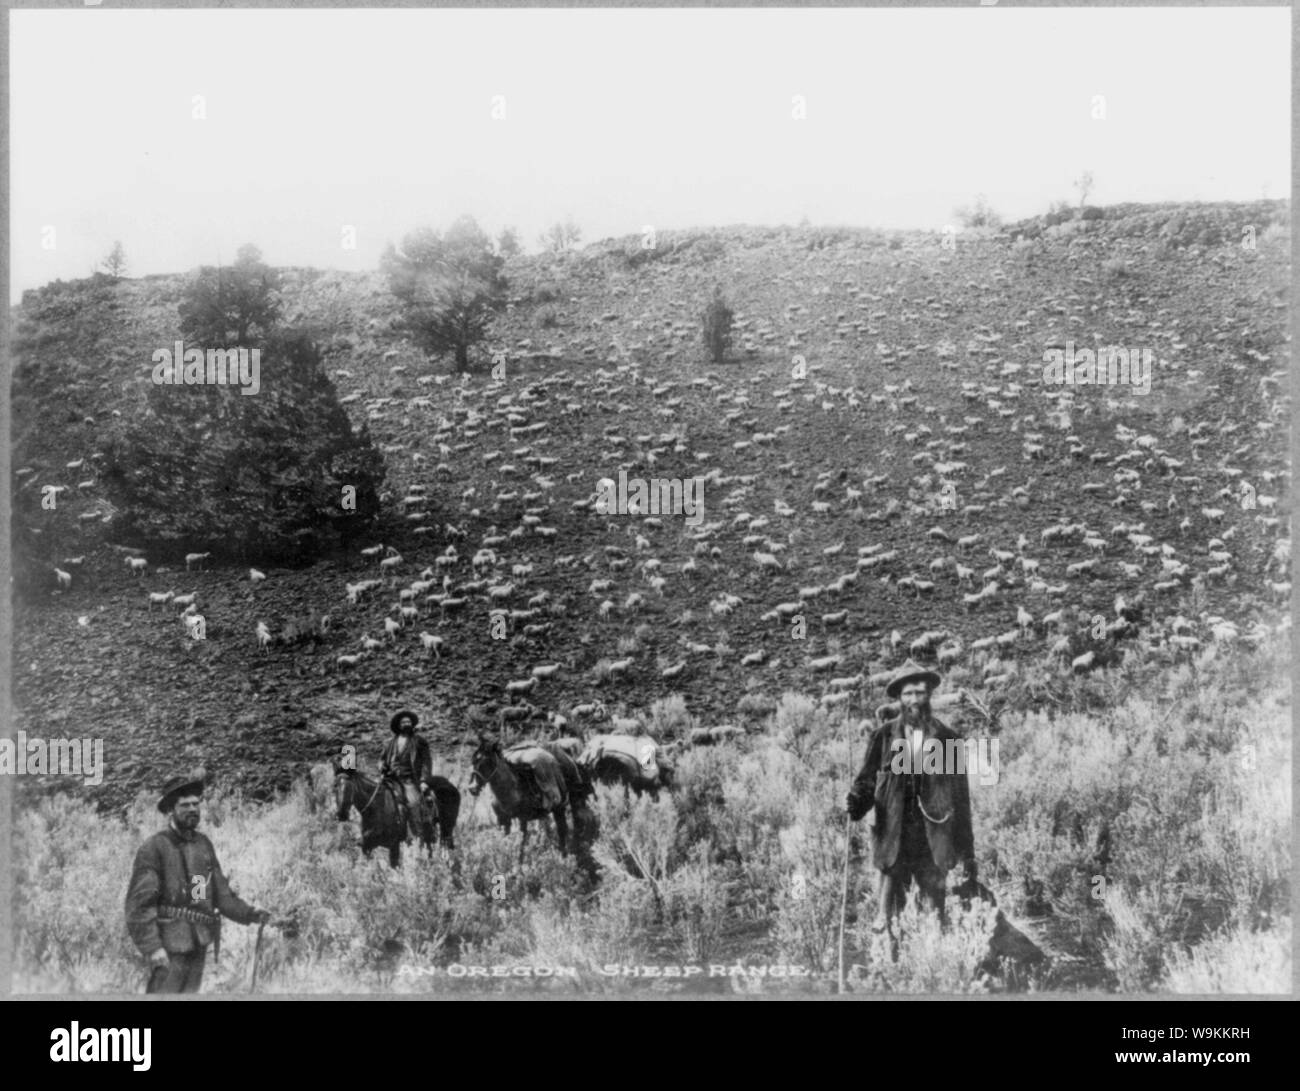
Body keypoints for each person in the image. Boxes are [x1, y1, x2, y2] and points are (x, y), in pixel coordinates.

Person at [847, 659, 977, 938]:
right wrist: (856, 801)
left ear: (929, 694)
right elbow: (867, 781)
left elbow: (961, 798)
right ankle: (892, 965)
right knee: (891, 921)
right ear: (898, 698)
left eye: (919, 692)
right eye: (908, 693)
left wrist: (967, 852)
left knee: (935, 919)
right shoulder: (883, 737)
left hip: (934, 839)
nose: (914, 699)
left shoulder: (947, 739)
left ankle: (933, 965)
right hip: (895, 838)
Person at [124, 772, 271, 994]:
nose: (193, 809)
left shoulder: (202, 846)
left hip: (198, 943)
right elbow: (139, 905)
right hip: (169, 946)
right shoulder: (154, 848)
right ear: (171, 810)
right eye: (185, 805)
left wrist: (250, 914)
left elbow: (214, 896)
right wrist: (153, 948)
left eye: (196, 804)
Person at [379, 710, 435, 841]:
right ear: (398, 725)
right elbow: (381, 759)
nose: (407, 724)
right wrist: (381, 766)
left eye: (409, 722)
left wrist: (424, 781)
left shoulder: (419, 741)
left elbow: (427, 762)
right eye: (404, 722)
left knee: (413, 804)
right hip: (390, 779)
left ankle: (418, 835)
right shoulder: (389, 742)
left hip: (408, 780)